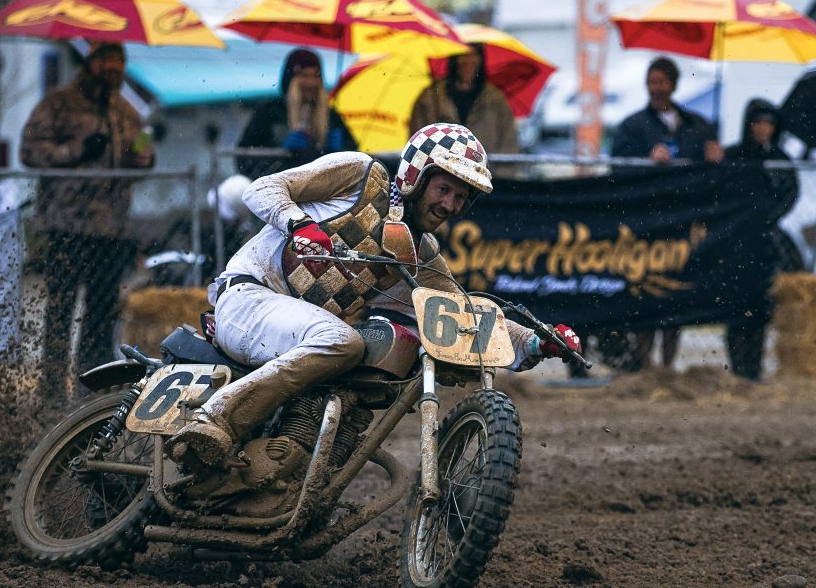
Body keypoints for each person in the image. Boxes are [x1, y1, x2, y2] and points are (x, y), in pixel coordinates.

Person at [169, 124, 580, 467]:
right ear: (418, 174)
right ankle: (215, 418)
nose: (450, 205)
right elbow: (262, 188)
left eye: (460, 197)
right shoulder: (359, 174)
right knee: (341, 341)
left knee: (367, 359)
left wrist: (537, 341)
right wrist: (297, 224)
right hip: (249, 294)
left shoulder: (420, 256)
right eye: (444, 189)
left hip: (294, 332)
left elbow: (462, 314)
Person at [20, 42, 155, 391]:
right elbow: (30, 151)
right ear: (90, 62)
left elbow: (141, 152)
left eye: (118, 60)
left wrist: (142, 160)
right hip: (67, 225)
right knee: (60, 307)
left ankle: (91, 387)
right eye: (106, 59)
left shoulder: (126, 111)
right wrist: (76, 151)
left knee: (101, 309)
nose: (113, 66)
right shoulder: (59, 103)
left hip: (110, 229)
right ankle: (51, 388)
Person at [610, 56, 723, 370]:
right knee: (645, 291)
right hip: (646, 223)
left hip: (682, 224)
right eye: (652, 82)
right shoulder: (632, 126)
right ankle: (645, 362)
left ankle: (669, 364)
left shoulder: (698, 126)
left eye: (662, 81)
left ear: (674, 84)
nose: (656, 88)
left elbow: (710, 178)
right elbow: (616, 166)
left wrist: (714, 156)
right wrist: (645, 158)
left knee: (676, 293)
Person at [722, 98, 800, 380]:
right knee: (735, 307)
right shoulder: (732, 156)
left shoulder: (779, 159)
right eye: (758, 123)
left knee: (760, 308)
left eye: (769, 123)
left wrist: (766, 219)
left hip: (765, 244)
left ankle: (753, 368)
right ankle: (738, 368)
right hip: (736, 242)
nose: (763, 129)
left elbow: (790, 194)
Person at [237, 48, 358, 180]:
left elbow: (356, 158)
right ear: (290, 80)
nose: (311, 83)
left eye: (316, 76)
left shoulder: (331, 116)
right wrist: (280, 154)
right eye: (304, 76)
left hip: (322, 187)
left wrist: (341, 152)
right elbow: (244, 161)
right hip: (278, 186)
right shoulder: (270, 112)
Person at [408, 44, 520, 159]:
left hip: (484, 173)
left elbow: (509, 146)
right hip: (439, 171)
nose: (468, 60)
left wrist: (499, 176)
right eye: (464, 55)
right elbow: (418, 140)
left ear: (480, 60)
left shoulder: (496, 99)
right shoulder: (431, 97)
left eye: (474, 55)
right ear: (454, 59)